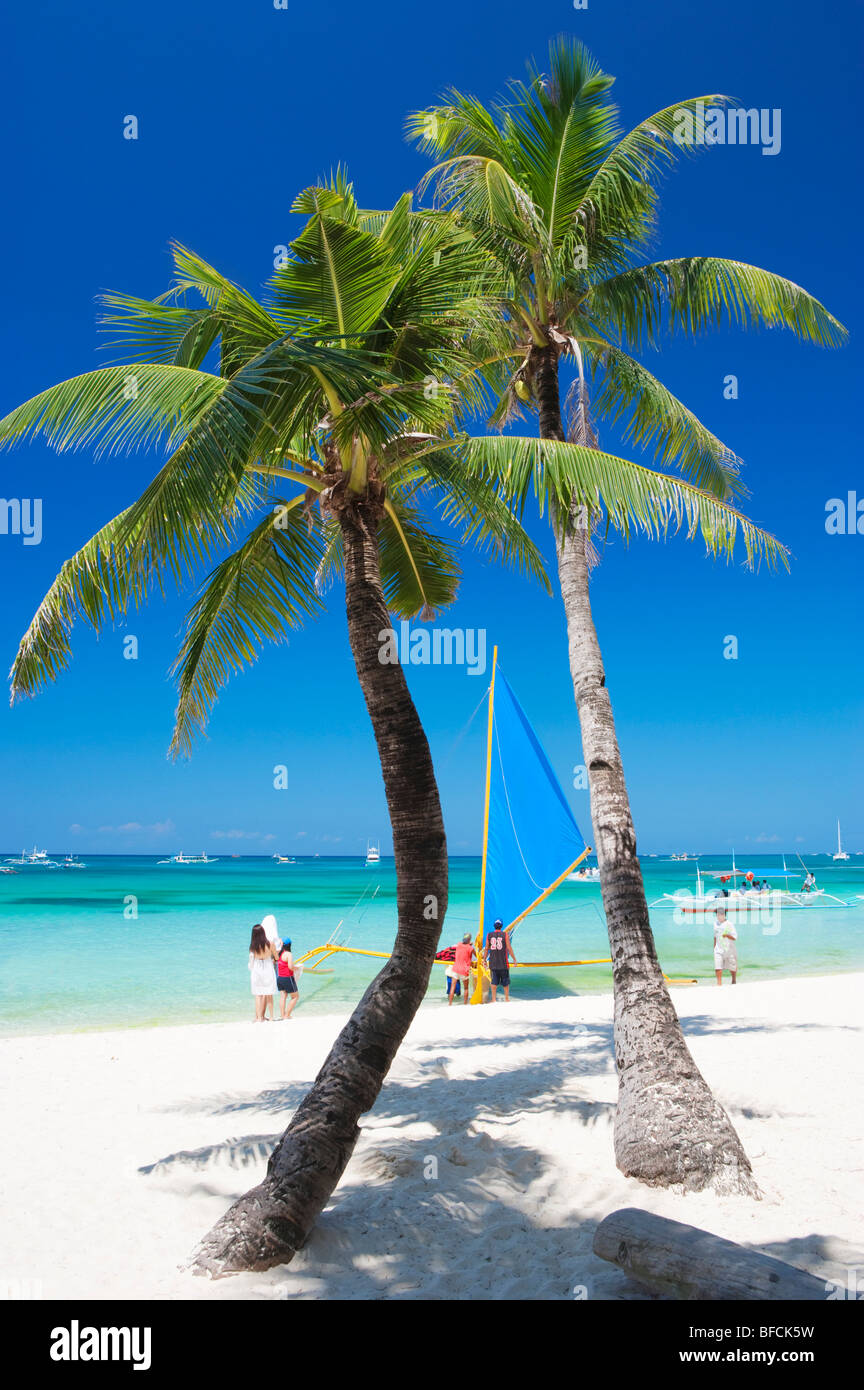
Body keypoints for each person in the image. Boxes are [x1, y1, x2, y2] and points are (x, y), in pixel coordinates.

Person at [248, 923, 278, 1021]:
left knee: (258, 994)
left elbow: (251, 960)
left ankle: (259, 1017)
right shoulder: (270, 944)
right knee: (269, 993)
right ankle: (272, 1017)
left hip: (257, 969)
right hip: (268, 967)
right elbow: (277, 958)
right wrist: (273, 960)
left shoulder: (252, 946)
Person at [483, 918, 517, 1002]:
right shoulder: (505, 935)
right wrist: (514, 959)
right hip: (503, 963)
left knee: (494, 982)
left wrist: (484, 959)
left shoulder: (489, 935)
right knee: (505, 982)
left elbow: (486, 948)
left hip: (493, 962)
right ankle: (506, 999)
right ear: (501, 926)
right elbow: (509, 948)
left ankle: (494, 999)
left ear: (494, 926)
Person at [447, 933, 474, 1007]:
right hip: (464, 970)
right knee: (466, 988)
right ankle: (465, 1004)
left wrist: (468, 944)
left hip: (455, 969)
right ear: (469, 940)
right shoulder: (470, 948)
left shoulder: (459, 945)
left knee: (452, 987)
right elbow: (475, 955)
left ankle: (450, 1004)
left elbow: (463, 944)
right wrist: (470, 945)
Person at [276, 938, 299, 1019]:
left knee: (283, 997)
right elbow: (290, 967)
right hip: (287, 978)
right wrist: (296, 968)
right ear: (289, 945)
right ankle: (287, 1015)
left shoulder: (279, 953)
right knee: (295, 997)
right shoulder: (289, 954)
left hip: (279, 978)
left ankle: (282, 1015)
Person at [713, 908, 738, 986]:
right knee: (718, 967)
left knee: (732, 967)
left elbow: (735, 937)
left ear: (724, 915)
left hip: (729, 949)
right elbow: (715, 936)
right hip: (718, 949)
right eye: (717, 915)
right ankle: (719, 984)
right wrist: (714, 947)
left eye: (720, 915)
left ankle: (733, 980)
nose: (718, 916)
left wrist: (727, 935)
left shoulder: (729, 924)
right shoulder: (715, 924)